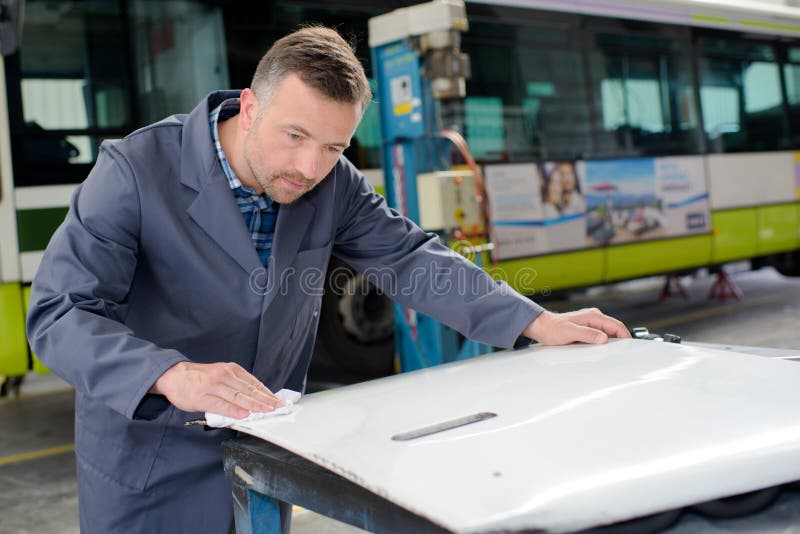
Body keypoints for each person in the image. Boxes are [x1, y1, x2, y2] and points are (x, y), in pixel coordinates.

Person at [26, 26, 630, 533]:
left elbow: (411, 258)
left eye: (334, 146)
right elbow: (59, 312)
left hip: (263, 459)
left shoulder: (331, 180)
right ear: (250, 105)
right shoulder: (133, 171)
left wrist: (535, 322)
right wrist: (169, 373)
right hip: (150, 464)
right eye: (296, 137)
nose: (311, 167)